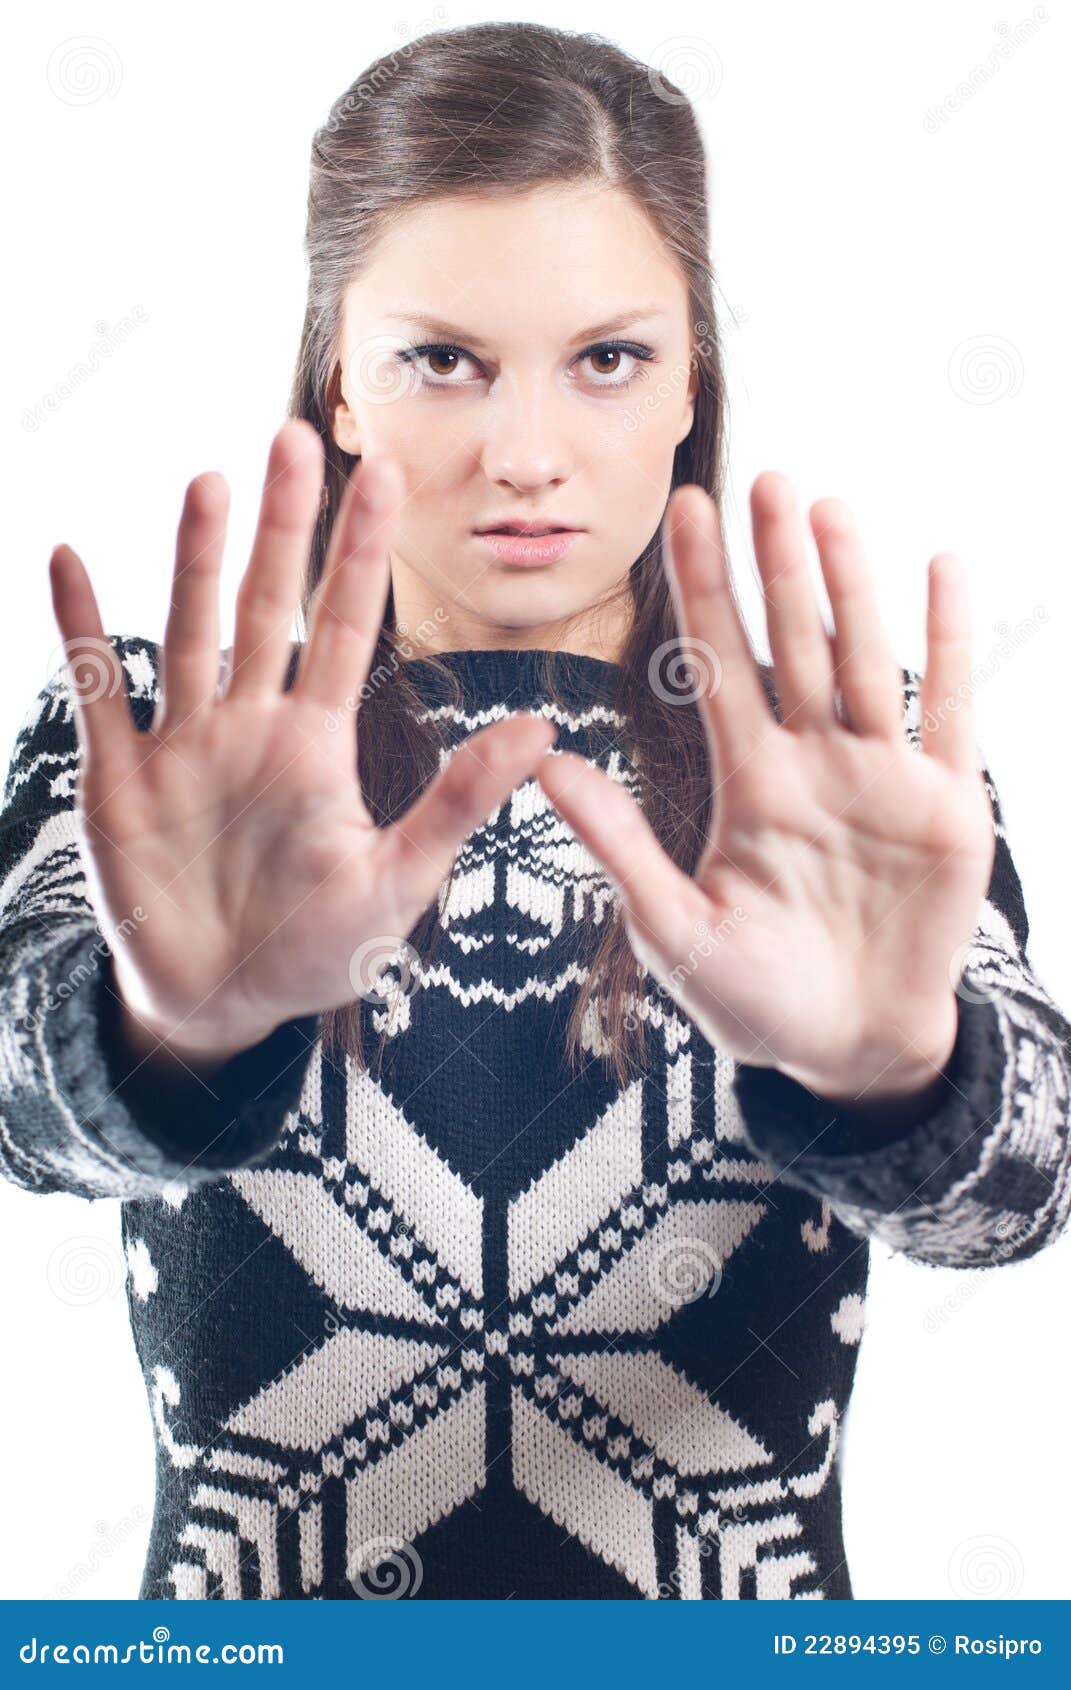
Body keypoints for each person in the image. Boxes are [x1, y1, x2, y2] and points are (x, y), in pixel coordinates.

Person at [1, 19, 1068, 1602]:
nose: (525, 453)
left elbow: (1020, 1205)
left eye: (608, 357)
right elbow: (17, 1112)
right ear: (339, 382)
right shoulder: (168, 732)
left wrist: (909, 1075)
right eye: (442, 359)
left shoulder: (844, 753)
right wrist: (161, 1031)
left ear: (691, 372)